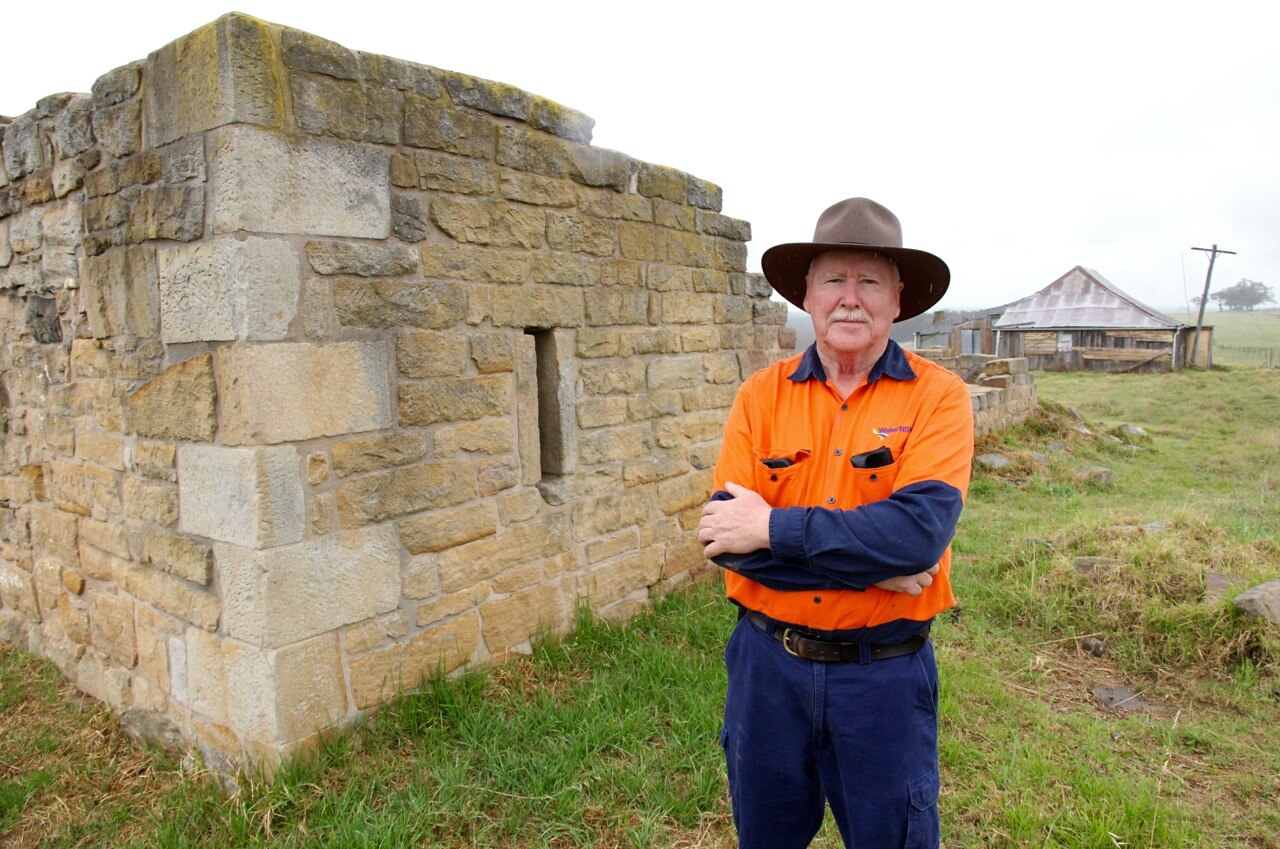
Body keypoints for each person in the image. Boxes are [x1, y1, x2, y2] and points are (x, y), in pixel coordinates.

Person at [697, 197, 974, 849]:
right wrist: (880, 563)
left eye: (870, 280)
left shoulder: (939, 396)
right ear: (807, 295)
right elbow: (725, 538)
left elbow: (917, 535)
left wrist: (771, 526)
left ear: (898, 298)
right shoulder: (759, 395)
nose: (851, 298)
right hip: (767, 670)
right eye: (834, 280)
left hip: (882, 677)